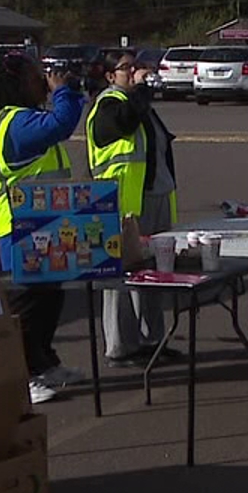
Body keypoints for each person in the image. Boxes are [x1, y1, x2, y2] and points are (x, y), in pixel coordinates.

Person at [0, 51, 86, 405]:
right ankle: (22, 376)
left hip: (45, 224)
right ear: (17, 82)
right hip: (20, 227)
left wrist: (70, 89)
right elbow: (61, 124)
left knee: (49, 298)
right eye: (35, 76)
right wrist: (62, 92)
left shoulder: (24, 118)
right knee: (27, 306)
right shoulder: (15, 123)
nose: (41, 81)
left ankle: (44, 363)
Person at [88, 54, 181, 366]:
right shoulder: (107, 105)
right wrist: (141, 88)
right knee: (121, 280)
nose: (134, 71)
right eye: (126, 67)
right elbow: (123, 122)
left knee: (153, 273)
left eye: (136, 65)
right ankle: (121, 347)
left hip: (154, 198)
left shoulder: (140, 104)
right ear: (110, 76)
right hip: (124, 206)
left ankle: (152, 340)